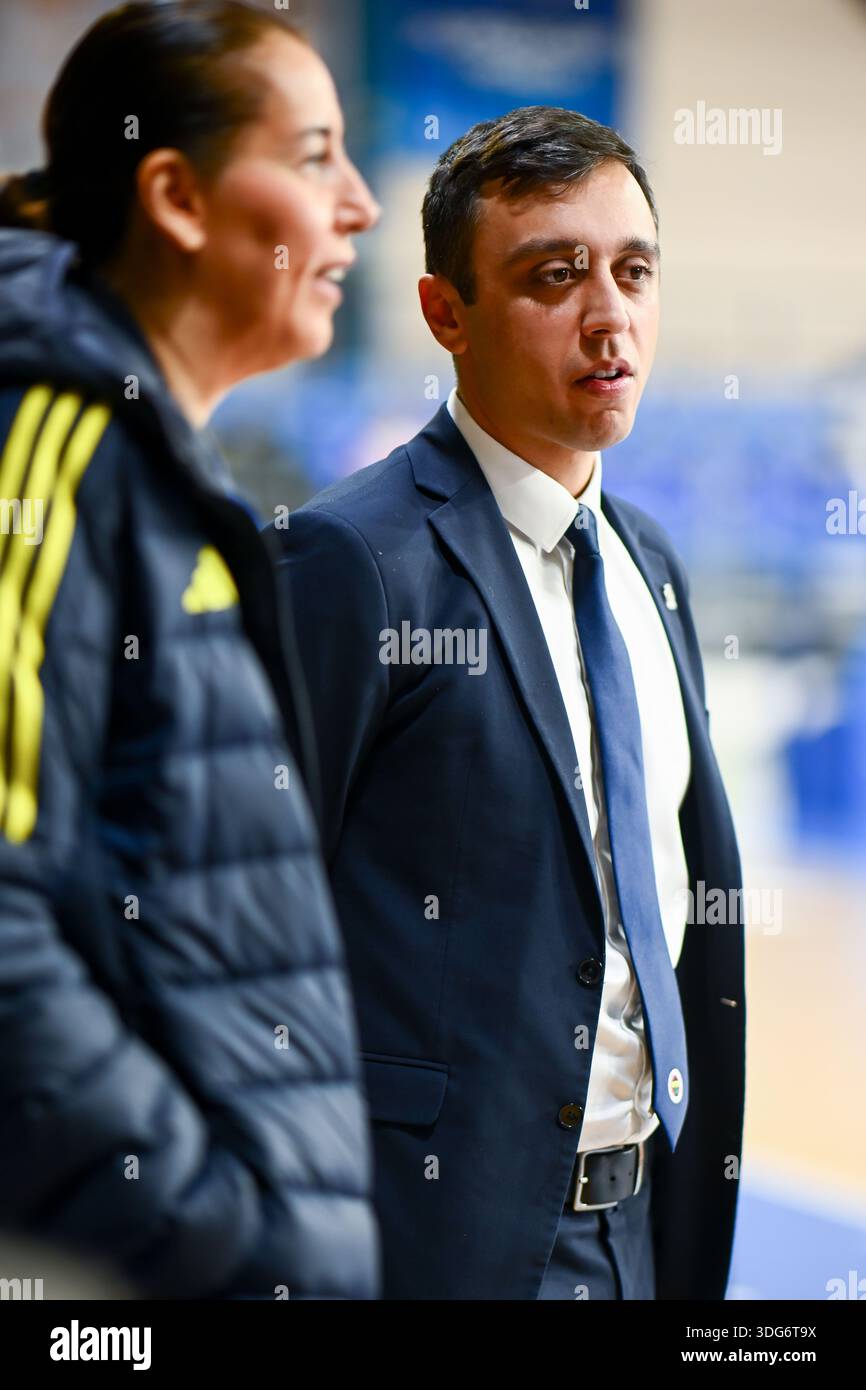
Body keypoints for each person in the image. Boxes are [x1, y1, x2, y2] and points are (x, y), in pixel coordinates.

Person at [270, 105, 746, 1300]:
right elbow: (242, 936)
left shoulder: (647, 563)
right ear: (446, 313)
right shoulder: (352, 561)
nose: (609, 316)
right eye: (553, 276)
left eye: (632, 271)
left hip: (641, 1233)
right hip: (430, 1248)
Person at [0, 0, 380, 1299]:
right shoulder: (48, 445)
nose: (359, 205)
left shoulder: (161, 463)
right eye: (316, 156)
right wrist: (225, 1224)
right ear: (176, 197)